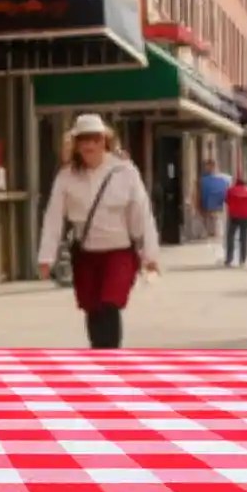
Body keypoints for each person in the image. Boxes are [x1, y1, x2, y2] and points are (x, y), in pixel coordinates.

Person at [37, 113, 161, 349]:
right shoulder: (66, 177)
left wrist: (149, 255)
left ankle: (111, 355)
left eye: (94, 139)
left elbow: (141, 215)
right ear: (76, 144)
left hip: (119, 252)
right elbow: (53, 217)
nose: (89, 145)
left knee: (109, 303)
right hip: (86, 253)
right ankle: (98, 353)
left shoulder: (125, 172)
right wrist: (46, 257)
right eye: (84, 140)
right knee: (92, 307)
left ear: (105, 140)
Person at [224, 176, 247, 267]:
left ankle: (229, 259)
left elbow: (227, 201)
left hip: (234, 216)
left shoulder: (231, 190)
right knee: (244, 238)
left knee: (231, 236)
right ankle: (243, 259)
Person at [196, 159, 230, 239]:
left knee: (215, 221)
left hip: (216, 205)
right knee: (208, 220)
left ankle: (214, 234)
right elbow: (198, 192)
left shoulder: (222, 178)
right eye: (207, 166)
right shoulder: (203, 179)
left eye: (210, 166)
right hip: (206, 203)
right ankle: (209, 234)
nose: (209, 168)